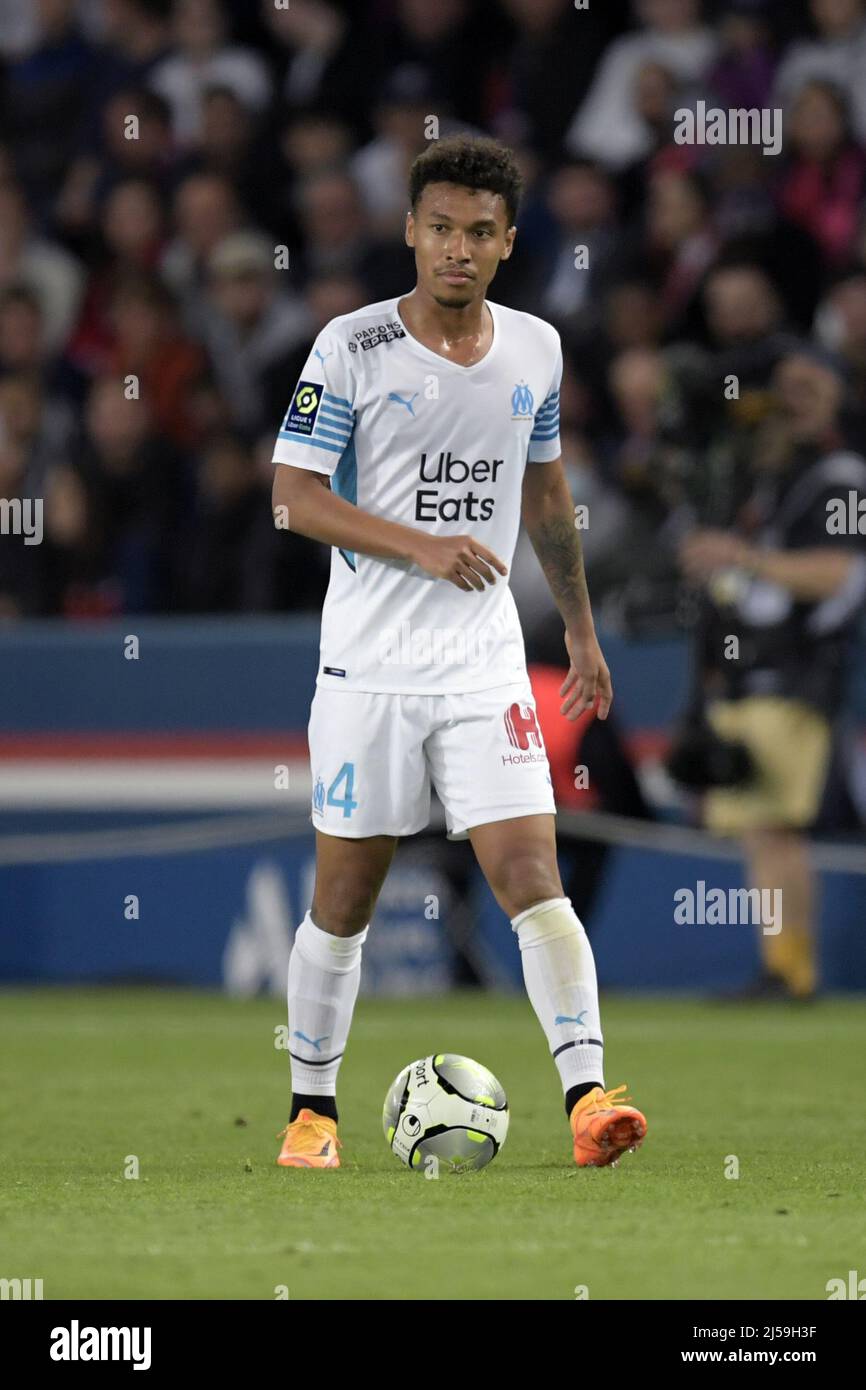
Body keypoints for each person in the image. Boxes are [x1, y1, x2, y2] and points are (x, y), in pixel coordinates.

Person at [270, 134, 648, 1170]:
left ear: (507, 242)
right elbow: (292, 499)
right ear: (409, 230)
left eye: (479, 232)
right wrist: (421, 546)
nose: (456, 248)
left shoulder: (535, 348)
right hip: (367, 668)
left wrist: (576, 624)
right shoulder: (348, 347)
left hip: (483, 668)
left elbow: (545, 493)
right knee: (342, 897)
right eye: (439, 227)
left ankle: (586, 1096)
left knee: (531, 869)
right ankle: (312, 1113)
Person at [678, 347, 866, 1000]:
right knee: (762, 830)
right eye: (786, 386)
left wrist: (743, 558)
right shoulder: (772, 477)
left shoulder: (840, 475)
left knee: (778, 828)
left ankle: (793, 971)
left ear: (839, 395)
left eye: (812, 385)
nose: (794, 399)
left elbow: (840, 573)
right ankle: (781, 966)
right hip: (752, 670)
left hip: (799, 672)